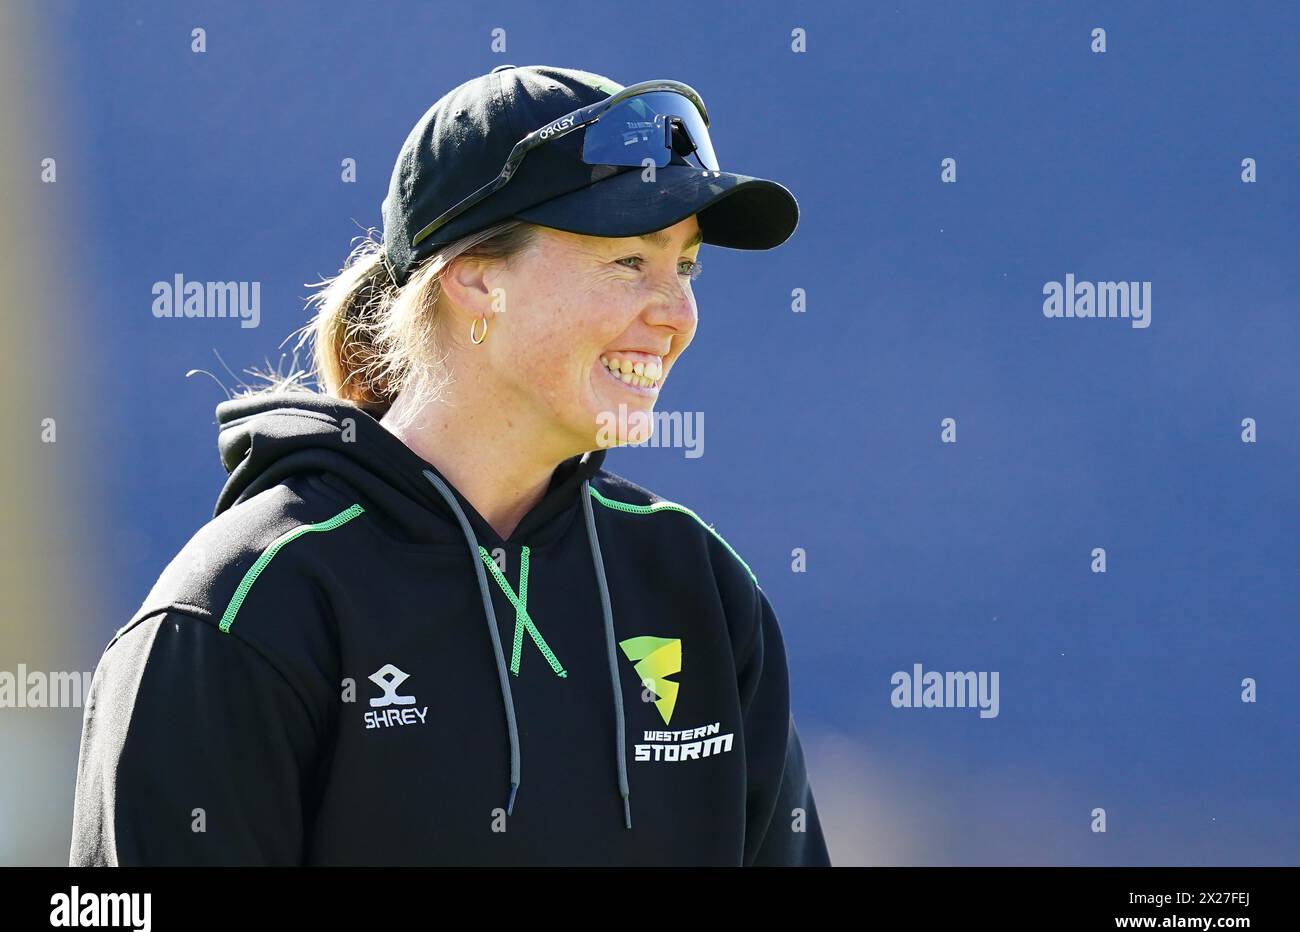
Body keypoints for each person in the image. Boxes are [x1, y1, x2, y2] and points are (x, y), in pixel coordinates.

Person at [70, 64, 831, 866]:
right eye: (628, 261)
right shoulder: (243, 608)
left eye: (685, 266)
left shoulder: (698, 587)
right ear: (474, 277)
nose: (678, 314)